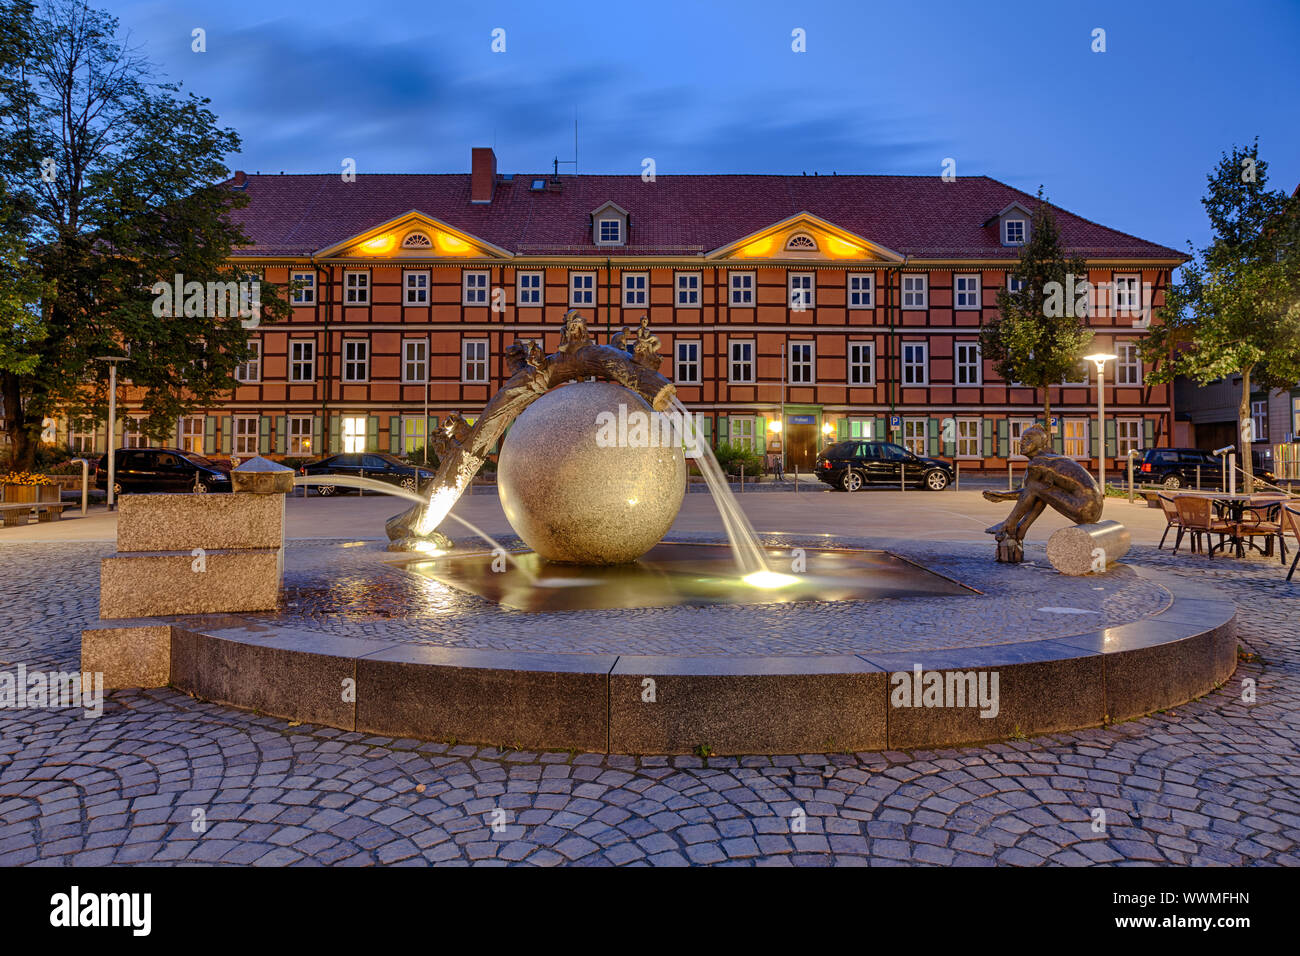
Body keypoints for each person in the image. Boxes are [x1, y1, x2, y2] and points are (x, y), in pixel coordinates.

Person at [982, 424, 1103, 548]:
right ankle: (1020, 530)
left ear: (1040, 444)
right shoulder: (1049, 459)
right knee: (1041, 491)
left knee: (1036, 488)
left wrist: (1003, 496)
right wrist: (1003, 496)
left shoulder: (1038, 463)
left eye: (1028, 439)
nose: (1021, 443)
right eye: (1021, 439)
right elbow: (1033, 494)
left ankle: (1008, 525)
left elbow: (1030, 490)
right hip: (1092, 510)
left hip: (1084, 509)